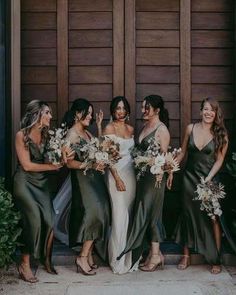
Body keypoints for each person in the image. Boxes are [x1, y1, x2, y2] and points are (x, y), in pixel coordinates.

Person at [175, 97, 236, 274]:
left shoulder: (221, 134)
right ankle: (186, 255)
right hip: (189, 179)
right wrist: (169, 167)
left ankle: (215, 258)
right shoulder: (190, 128)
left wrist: (209, 178)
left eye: (212, 110)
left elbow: (220, 160)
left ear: (216, 113)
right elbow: (182, 153)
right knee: (186, 215)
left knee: (213, 218)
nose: (209, 113)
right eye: (206, 109)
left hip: (209, 181)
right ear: (200, 111)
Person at [118, 94, 173, 271]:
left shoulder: (161, 130)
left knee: (152, 214)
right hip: (142, 178)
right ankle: (153, 253)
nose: (143, 110)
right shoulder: (145, 126)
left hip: (155, 179)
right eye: (143, 107)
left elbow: (165, 157)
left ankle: (156, 255)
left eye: (146, 107)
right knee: (144, 212)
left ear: (156, 110)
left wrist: (165, 174)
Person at [13, 100, 63, 283]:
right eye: (47, 113)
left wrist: (63, 155)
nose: (50, 116)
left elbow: (56, 156)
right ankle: (24, 263)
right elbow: (26, 165)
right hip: (24, 183)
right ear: (37, 115)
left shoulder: (48, 135)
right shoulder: (22, 135)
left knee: (49, 220)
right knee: (33, 219)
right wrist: (51, 167)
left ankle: (45, 259)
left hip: (42, 184)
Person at [62, 98, 110, 275]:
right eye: (88, 113)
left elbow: (96, 148)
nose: (90, 116)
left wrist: (98, 126)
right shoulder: (71, 134)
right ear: (77, 113)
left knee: (103, 211)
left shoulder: (87, 133)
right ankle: (82, 257)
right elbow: (69, 163)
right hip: (83, 181)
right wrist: (89, 165)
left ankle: (88, 254)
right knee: (94, 213)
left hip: (94, 179)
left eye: (91, 113)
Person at [96, 96, 138, 274]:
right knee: (119, 215)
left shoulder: (131, 128)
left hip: (131, 174)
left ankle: (129, 256)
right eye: (117, 108)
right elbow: (106, 155)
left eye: (123, 108)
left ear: (127, 111)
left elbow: (133, 153)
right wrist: (117, 178)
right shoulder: (109, 128)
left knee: (129, 213)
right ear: (113, 111)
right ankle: (117, 259)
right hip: (116, 175)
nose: (120, 112)